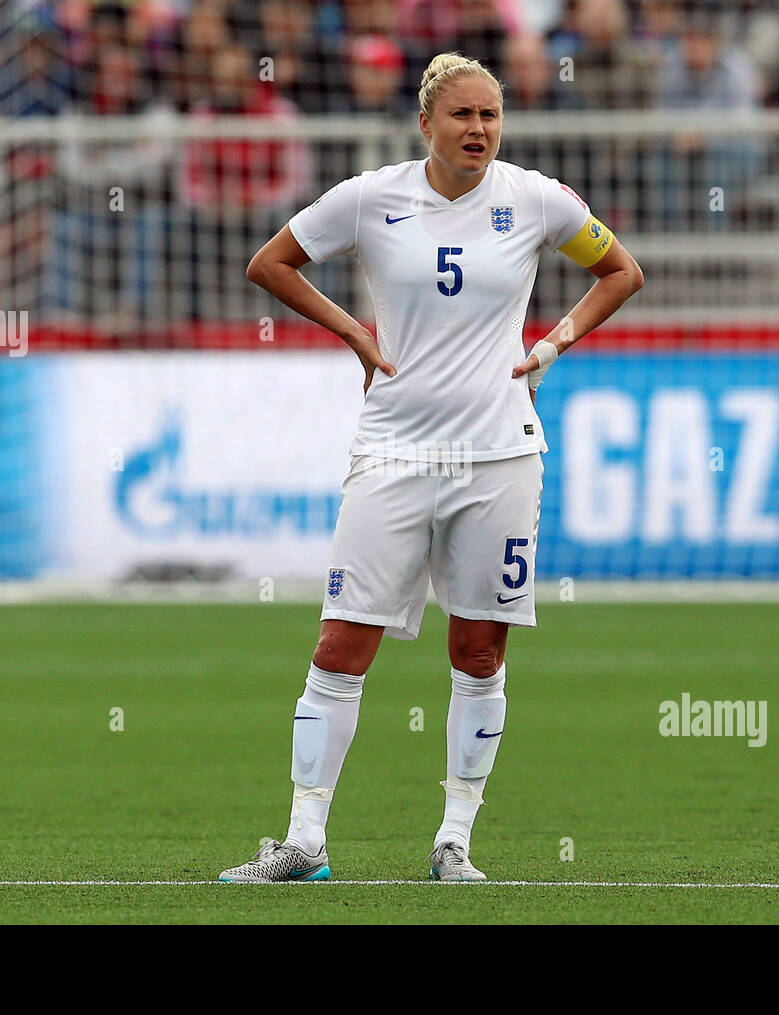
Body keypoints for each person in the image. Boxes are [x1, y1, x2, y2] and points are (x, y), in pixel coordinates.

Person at [220, 52, 642, 882]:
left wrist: (554, 341)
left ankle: (455, 840)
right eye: (463, 116)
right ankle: (304, 841)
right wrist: (354, 333)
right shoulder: (372, 198)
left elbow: (620, 271)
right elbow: (270, 263)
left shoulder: (535, 199)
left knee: (480, 650)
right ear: (427, 123)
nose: (479, 130)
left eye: (490, 115)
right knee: (342, 642)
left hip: (499, 452)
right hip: (394, 449)